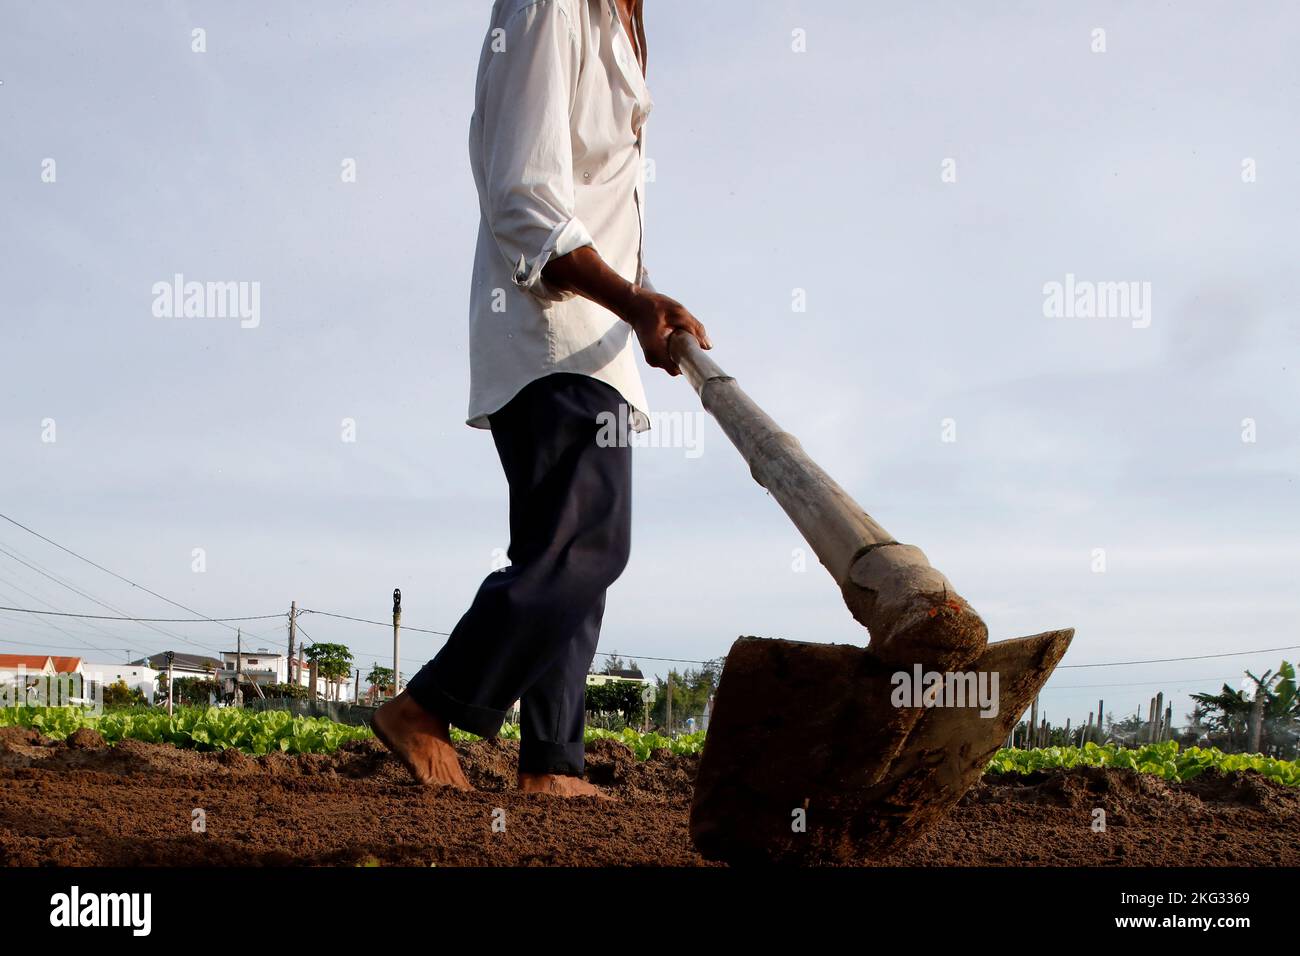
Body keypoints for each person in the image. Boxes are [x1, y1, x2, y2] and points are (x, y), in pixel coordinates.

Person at [372, 0, 709, 797]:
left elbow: (596, 206)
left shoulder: (628, 24)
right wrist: (630, 302)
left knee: (567, 561)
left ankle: (552, 765)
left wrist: (645, 297)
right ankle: (426, 705)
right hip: (550, 330)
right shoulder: (551, 6)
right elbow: (522, 195)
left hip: (602, 342)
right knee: (589, 546)